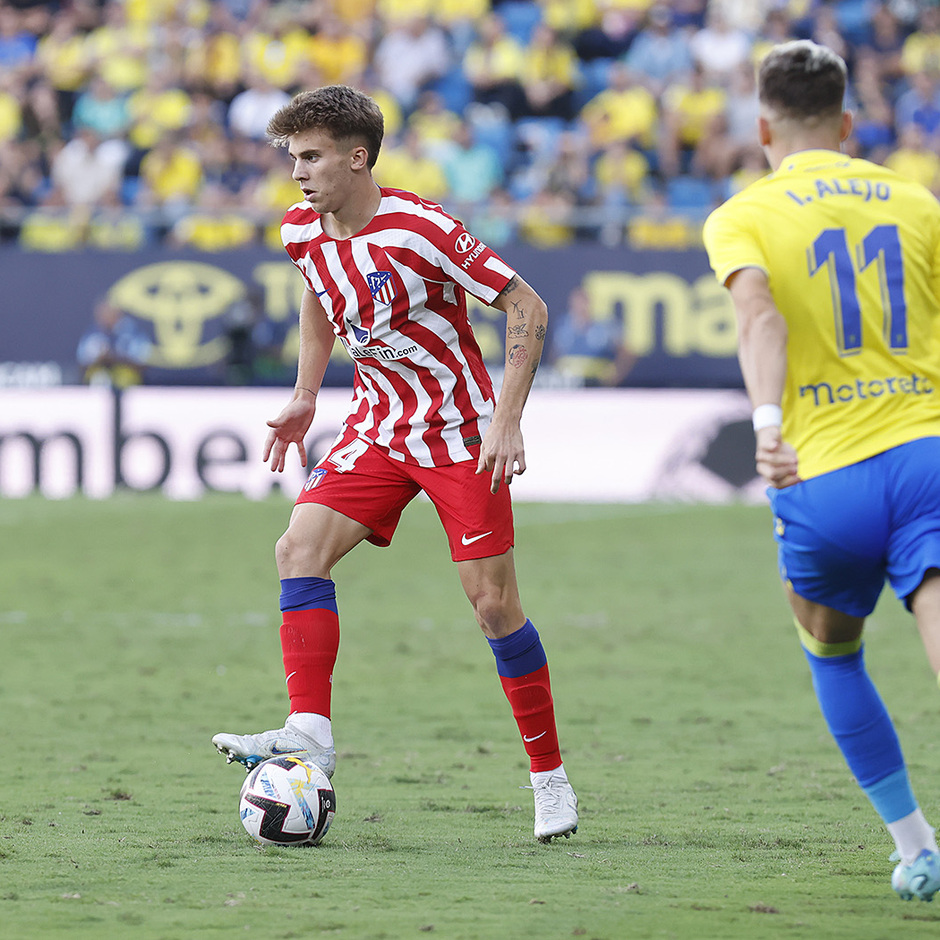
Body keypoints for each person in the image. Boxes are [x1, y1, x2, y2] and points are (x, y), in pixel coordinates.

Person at [211, 84, 578, 844]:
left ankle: (548, 777)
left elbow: (528, 308)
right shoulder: (300, 230)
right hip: (377, 428)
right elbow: (320, 297)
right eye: (293, 158)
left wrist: (506, 420)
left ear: (358, 157)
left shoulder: (422, 229)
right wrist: (306, 393)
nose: (298, 173)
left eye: (312, 157)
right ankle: (309, 732)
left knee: (493, 607)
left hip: (458, 433)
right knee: (298, 550)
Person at [703, 40, 940, 902]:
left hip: (822, 475)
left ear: (763, 128)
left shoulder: (743, 213)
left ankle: (917, 848)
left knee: (834, 656)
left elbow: (759, 320)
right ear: (848, 123)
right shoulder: (916, 201)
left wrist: (768, 426)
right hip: (926, 454)